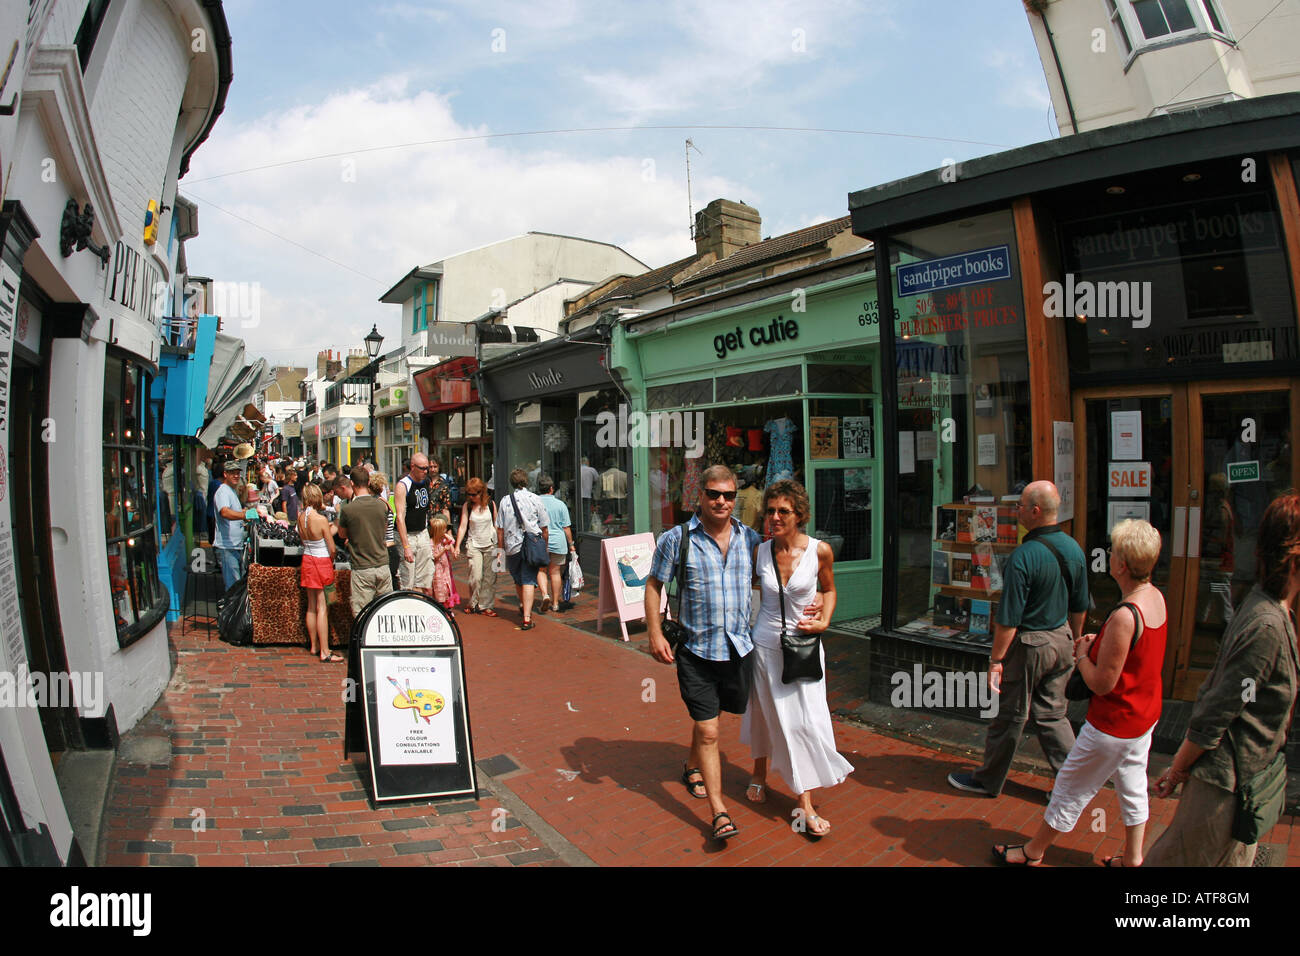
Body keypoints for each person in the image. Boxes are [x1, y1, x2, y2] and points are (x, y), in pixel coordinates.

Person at [993, 519, 1166, 866]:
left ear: (1121, 564)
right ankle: (1133, 859)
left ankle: (1032, 852)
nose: (1109, 557)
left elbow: (1102, 683)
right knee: (1132, 785)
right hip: (1144, 715)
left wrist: (1083, 654)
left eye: (1114, 552)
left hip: (1114, 723)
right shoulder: (1155, 598)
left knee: (1070, 786)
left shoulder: (1124, 615)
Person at [1143, 492, 1300, 866]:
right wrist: (1178, 768)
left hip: (1242, 783)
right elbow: (1218, 707)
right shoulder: (1266, 624)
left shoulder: (1272, 609)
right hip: (1222, 786)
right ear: (1293, 557)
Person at [948, 480, 1089, 798]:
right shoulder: (1074, 549)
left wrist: (996, 660)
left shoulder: (1024, 557)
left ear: (1036, 511)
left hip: (1031, 645)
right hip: (1063, 639)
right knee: (1053, 714)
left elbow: (1008, 619)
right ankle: (1074, 783)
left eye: (1021, 506)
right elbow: (1080, 605)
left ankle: (987, 780)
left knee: (1010, 715)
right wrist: (1076, 642)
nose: (1017, 510)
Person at [644, 465, 762, 842]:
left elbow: (772, 580)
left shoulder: (751, 540)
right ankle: (719, 812)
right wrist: (653, 632)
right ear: (701, 495)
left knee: (714, 719)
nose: (722, 501)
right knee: (710, 730)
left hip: (738, 649)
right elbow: (653, 584)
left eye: (729, 495)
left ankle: (691, 766)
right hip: (695, 651)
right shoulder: (676, 539)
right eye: (714, 494)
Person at [741, 480, 852, 837]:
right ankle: (759, 772)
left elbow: (831, 589)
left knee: (803, 723)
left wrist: (826, 616)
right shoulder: (760, 551)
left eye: (782, 511)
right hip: (765, 647)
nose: (774, 517)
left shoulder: (820, 551)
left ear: (799, 515)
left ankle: (804, 802)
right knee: (764, 715)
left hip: (804, 650)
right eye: (770, 510)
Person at [337, 467, 394, 617]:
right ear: (368, 482)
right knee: (385, 611)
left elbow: (342, 534)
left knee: (362, 614)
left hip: (362, 566)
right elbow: (385, 528)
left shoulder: (348, 509)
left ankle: (364, 641)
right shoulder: (382, 505)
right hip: (382, 563)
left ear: (352, 483)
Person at [496, 467, 548, 631]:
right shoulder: (535, 499)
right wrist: (544, 545)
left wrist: (499, 550)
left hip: (512, 546)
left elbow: (500, 528)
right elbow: (544, 526)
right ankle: (527, 617)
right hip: (531, 544)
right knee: (528, 579)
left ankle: (523, 605)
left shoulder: (505, 501)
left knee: (518, 578)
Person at [298, 483, 341, 662]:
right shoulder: (321, 519)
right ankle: (325, 650)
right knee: (322, 607)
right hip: (321, 560)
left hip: (307, 559)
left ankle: (314, 645)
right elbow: (331, 547)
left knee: (311, 605)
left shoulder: (301, 517)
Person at [455, 477, 499, 616]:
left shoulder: (491, 505)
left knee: (489, 578)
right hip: (474, 544)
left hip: (491, 544)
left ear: (482, 492)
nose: (471, 497)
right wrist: (457, 546)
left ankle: (486, 605)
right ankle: (473, 602)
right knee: (475, 576)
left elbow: (497, 525)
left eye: (474, 494)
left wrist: (500, 548)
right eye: (469, 494)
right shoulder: (467, 506)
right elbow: (463, 526)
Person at [396, 454, 435, 596]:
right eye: (422, 468)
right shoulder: (403, 485)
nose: (426, 471)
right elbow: (400, 517)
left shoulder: (426, 481)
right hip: (408, 534)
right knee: (408, 577)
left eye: (428, 468)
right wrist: (406, 546)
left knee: (424, 576)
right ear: (413, 467)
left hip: (422, 532)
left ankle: (421, 603)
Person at [538, 475, 575, 613]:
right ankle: (555, 603)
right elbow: (566, 528)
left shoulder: (535, 503)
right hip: (559, 542)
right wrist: (571, 544)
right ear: (551, 489)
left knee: (541, 570)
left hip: (541, 541)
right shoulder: (561, 505)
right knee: (555, 572)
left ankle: (545, 595)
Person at [213, 461, 250, 590]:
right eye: (232, 473)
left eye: (237, 473)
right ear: (225, 474)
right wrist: (244, 515)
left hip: (234, 545)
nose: (236, 476)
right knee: (233, 586)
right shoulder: (223, 491)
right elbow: (224, 512)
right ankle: (231, 610)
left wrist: (244, 513)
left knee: (236, 582)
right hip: (227, 546)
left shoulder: (231, 491)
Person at [430, 515, 458, 609]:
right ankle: (440, 606)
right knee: (439, 588)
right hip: (437, 569)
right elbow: (434, 557)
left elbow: (452, 540)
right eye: (443, 530)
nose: (445, 531)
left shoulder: (443, 540)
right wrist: (443, 550)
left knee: (447, 586)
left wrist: (445, 535)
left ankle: (447, 607)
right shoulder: (432, 542)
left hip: (444, 568)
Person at [428, 457, 452, 526]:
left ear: (439, 467)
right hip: (423, 524)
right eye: (430, 467)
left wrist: (449, 529)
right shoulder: (423, 482)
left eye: (435, 467)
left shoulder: (444, 485)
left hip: (438, 524)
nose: (433, 469)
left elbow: (446, 509)